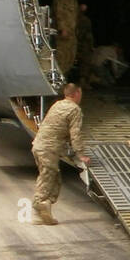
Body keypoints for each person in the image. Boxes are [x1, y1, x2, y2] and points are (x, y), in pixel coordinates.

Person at [31, 82, 90, 225]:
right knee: (47, 179)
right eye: (80, 93)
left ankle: (44, 212)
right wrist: (81, 154)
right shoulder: (74, 109)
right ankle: (39, 205)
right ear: (76, 94)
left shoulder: (57, 105)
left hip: (38, 145)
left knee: (54, 179)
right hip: (49, 149)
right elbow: (75, 133)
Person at [52, 0, 78, 75]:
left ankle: (62, 79)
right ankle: (58, 80)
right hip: (65, 28)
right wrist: (62, 27)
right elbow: (59, 7)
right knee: (63, 55)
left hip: (70, 28)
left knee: (70, 56)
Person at [74, 3, 95, 88]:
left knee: (85, 63)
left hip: (83, 43)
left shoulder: (82, 20)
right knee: (84, 63)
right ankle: (82, 81)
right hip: (81, 44)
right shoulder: (79, 20)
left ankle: (83, 81)